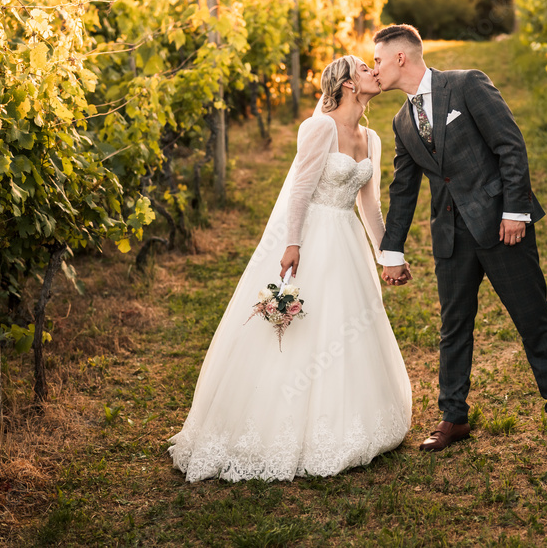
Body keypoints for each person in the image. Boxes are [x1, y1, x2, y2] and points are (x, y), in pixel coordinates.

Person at [168, 56, 411, 482]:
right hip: (313, 237)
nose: (374, 71)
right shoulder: (320, 128)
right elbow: (299, 189)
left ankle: (346, 415)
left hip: (348, 240)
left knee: (347, 323)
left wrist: (388, 255)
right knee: (305, 325)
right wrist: (293, 243)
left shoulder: (371, 138)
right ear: (348, 84)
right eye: (364, 68)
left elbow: (369, 205)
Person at [371, 24, 547, 451]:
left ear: (400, 57)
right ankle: (453, 418)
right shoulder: (401, 121)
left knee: (532, 318)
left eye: (377, 60)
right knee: (454, 328)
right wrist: (391, 249)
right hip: (450, 235)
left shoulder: (466, 84)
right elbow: (403, 189)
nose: (373, 68)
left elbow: (510, 145)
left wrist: (515, 211)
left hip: (502, 227)